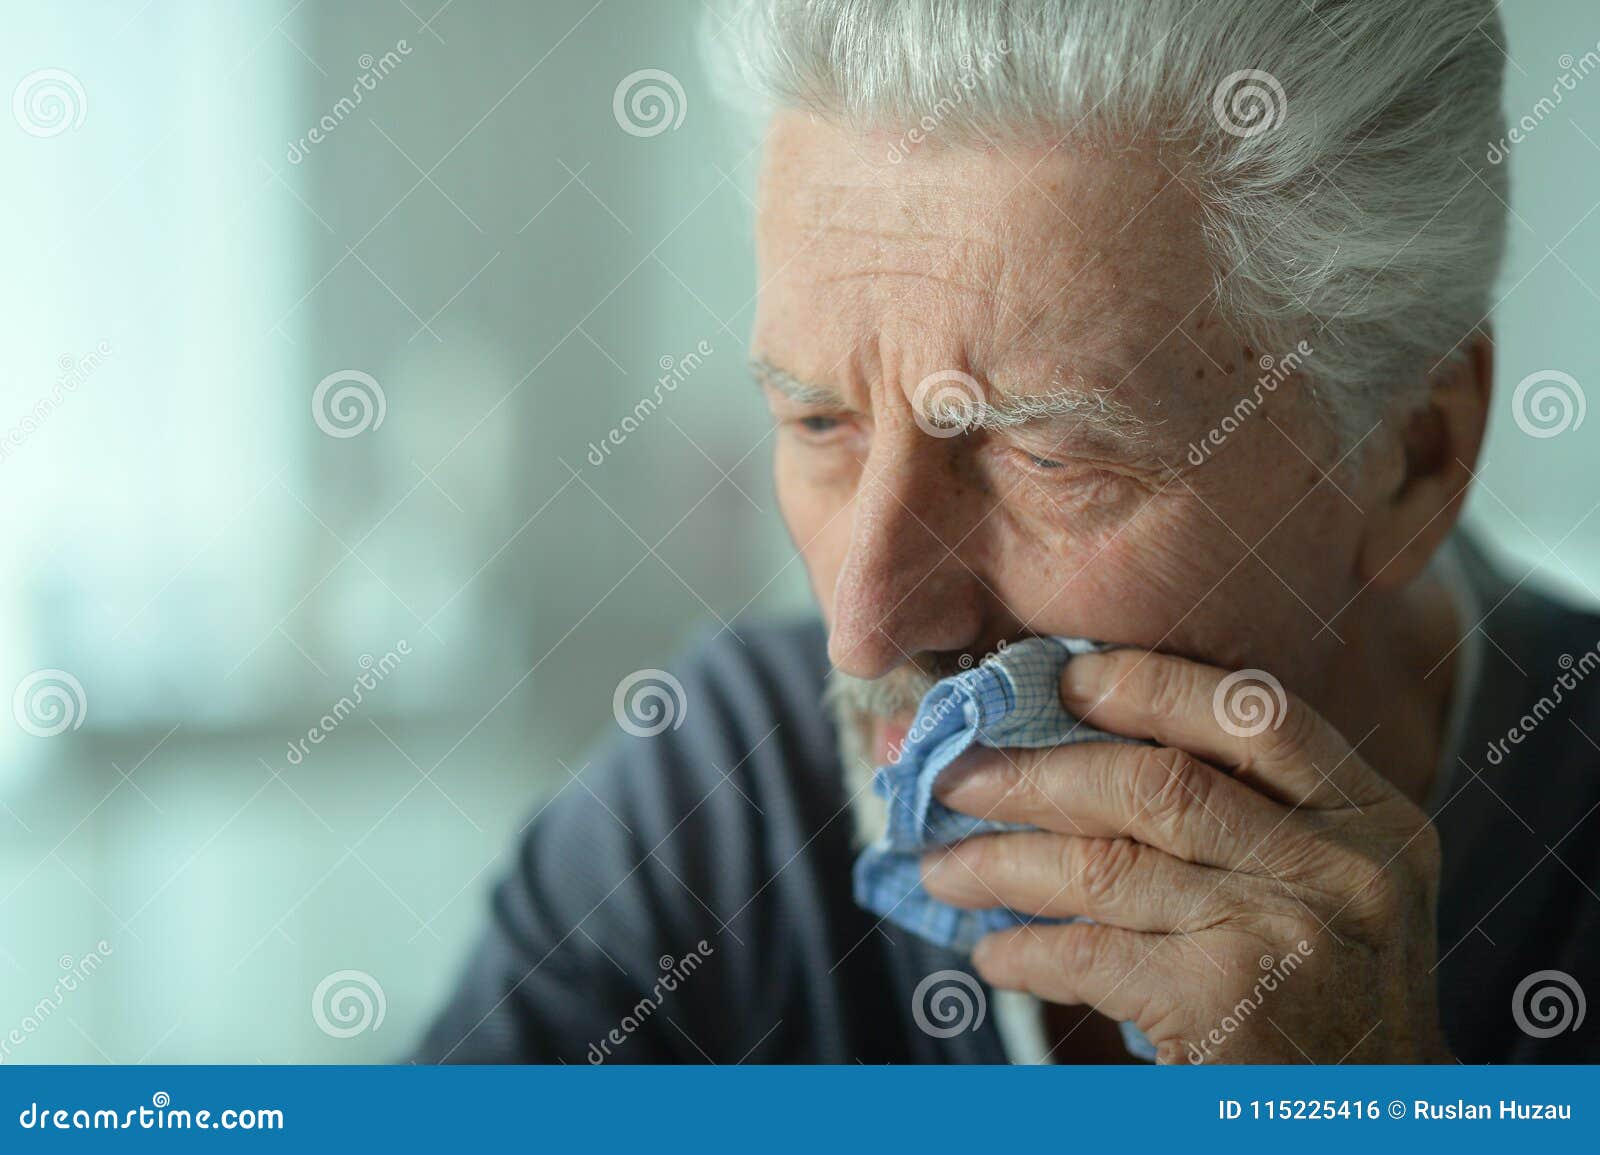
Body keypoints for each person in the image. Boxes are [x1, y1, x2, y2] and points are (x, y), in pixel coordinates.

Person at [415, 0, 1600, 1063]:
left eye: (1048, 456)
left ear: (1409, 456)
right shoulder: (717, 802)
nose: (863, 629)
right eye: (821, 421)